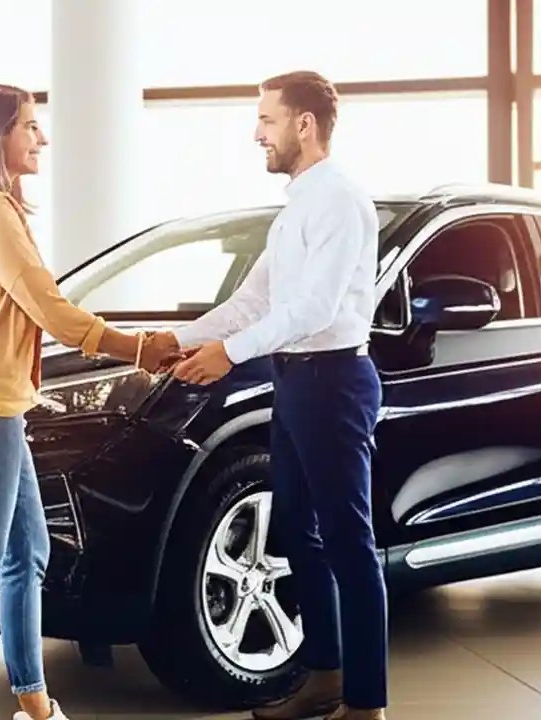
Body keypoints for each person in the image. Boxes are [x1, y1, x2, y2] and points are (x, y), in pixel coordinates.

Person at [0, 84, 178, 720]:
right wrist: (139, 347)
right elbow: (51, 309)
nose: (42, 138)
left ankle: (33, 701)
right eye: (29, 126)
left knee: (26, 552)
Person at [147, 71, 388, 720]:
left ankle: (367, 707)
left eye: (267, 120)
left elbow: (315, 306)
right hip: (295, 381)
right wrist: (172, 338)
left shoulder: (340, 201)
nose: (258, 133)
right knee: (300, 536)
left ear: (304, 124)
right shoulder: (299, 208)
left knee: (348, 545)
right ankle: (324, 678)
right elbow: (252, 302)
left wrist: (231, 352)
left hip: (334, 382)